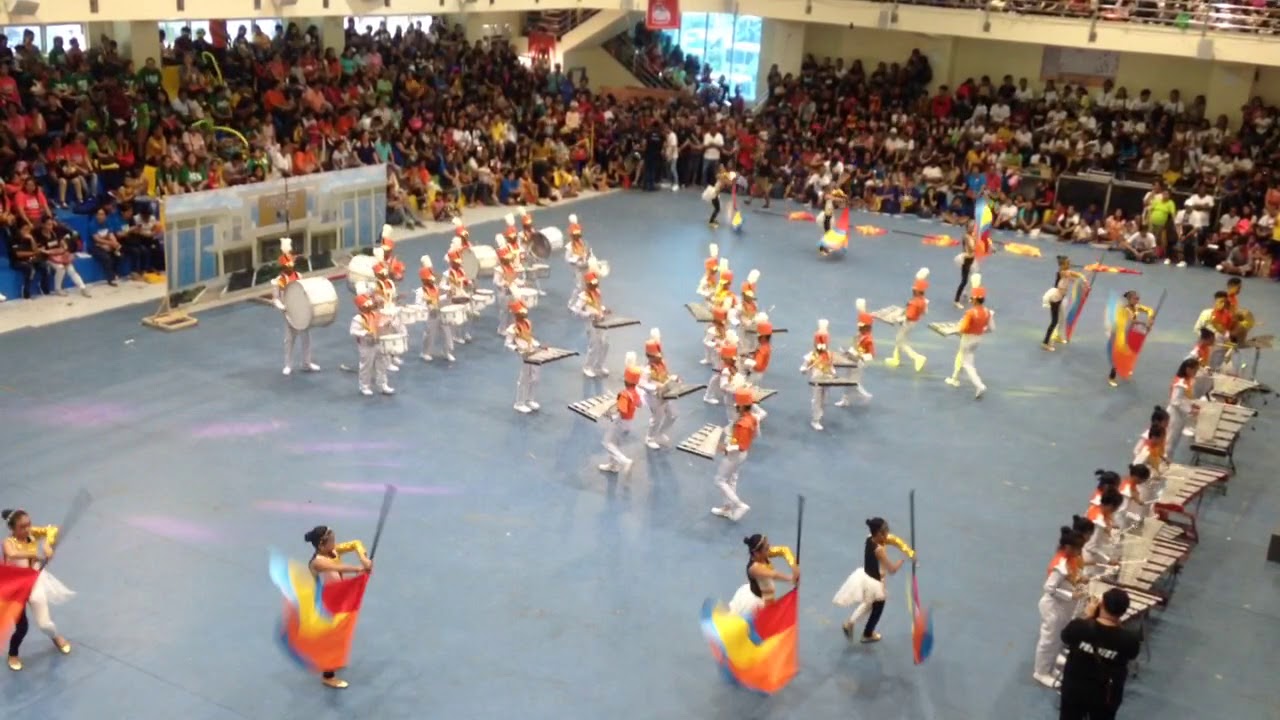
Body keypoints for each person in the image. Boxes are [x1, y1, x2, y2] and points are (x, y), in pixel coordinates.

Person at [3, 509, 73, 672]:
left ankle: (55, 637)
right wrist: (40, 554)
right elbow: (13, 554)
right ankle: (13, 654)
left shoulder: (32, 532)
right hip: (15, 590)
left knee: (44, 624)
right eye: (22, 527)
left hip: (34, 582)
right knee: (22, 628)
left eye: (29, 525)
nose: (27, 529)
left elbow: (52, 530)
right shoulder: (8, 543)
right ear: (13, 529)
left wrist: (48, 543)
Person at [303, 525, 372, 689]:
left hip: (337, 599)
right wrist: (359, 569)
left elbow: (355, 543)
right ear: (321, 545)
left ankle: (331, 660)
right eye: (331, 541)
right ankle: (328, 676)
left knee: (338, 634)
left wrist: (363, 558)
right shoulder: (318, 562)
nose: (335, 543)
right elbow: (338, 568)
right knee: (332, 639)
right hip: (323, 604)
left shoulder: (332, 551)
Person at [1058, 588, 1142, 719]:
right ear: (1124, 612)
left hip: (1074, 689)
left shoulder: (1079, 627)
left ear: (1101, 604)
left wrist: (1087, 616)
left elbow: (1065, 637)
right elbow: (1132, 654)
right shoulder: (1129, 640)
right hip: (1105, 695)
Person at [832, 517, 915, 644]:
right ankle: (867, 634)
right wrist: (902, 561)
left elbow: (892, 540)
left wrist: (908, 551)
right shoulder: (879, 550)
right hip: (876, 582)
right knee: (878, 607)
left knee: (868, 603)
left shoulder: (869, 538)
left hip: (865, 577)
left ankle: (850, 623)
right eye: (885, 533)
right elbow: (892, 570)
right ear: (878, 533)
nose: (887, 536)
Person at [1032, 525, 1087, 687]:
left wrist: (1079, 581)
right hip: (1053, 607)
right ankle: (1041, 672)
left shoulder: (1070, 560)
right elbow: (1049, 588)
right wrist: (1071, 595)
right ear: (1068, 547)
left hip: (1064, 607)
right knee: (1049, 641)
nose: (1079, 552)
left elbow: (1071, 578)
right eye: (1078, 549)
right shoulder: (1060, 566)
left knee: (1058, 639)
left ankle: (1050, 667)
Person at [272, 242, 321, 377]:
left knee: (306, 338)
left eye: (291, 266)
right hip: (289, 313)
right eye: (287, 266)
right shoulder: (278, 281)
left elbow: (304, 291)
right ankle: (288, 364)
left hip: (302, 311)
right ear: (283, 267)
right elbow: (275, 298)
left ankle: (307, 363)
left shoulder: (299, 276)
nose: (290, 268)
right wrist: (281, 306)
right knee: (289, 340)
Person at [712, 387, 758, 522]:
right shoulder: (753, 418)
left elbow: (740, 445)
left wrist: (724, 447)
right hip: (743, 455)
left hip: (735, 455)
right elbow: (755, 435)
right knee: (732, 479)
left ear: (742, 406)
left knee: (719, 480)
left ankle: (739, 505)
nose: (736, 406)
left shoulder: (742, 424)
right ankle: (727, 508)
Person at [728, 534, 799, 618]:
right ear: (757, 553)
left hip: (767, 592)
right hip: (757, 602)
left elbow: (784, 550)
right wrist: (791, 578)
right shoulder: (754, 568)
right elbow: (773, 574)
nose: (769, 549)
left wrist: (794, 567)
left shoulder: (763, 554)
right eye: (766, 548)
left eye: (768, 546)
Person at [946, 274, 993, 398]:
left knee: (967, 364)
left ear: (975, 300)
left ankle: (979, 385)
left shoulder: (970, 313)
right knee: (964, 357)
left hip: (967, 339)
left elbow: (963, 328)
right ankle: (955, 377)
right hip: (978, 338)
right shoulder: (988, 312)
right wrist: (981, 330)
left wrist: (956, 331)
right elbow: (991, 328)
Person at [600, 353, 643, 474]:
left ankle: (624, 461)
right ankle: (614, 465)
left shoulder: (624, 394)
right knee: (615, 443)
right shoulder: (635, 393)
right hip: (629, 423)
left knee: (607, 442)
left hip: (621, 422)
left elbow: (622, 410)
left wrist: (609, 412)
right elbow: (639, 404)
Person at [639, 329, 679, 450]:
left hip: (666, 394)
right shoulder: (647, 370)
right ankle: (650, 438)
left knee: (673, 415)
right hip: (654, 397)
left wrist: (672, 379)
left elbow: (665, 376)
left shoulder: (662, 364)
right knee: (657, 418)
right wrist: (655, 387)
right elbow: (642, 384)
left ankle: (660, 433)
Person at [349, 294, 394, 397]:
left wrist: (386, 325)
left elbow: (380, 327)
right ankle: (364, 386)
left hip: (378, 342)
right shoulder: (358, 318)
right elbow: (353, 331)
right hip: (366, 345)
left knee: (382, 364)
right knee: (366, 366)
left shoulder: (375, 315)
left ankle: (383, 384)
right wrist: (365, 333)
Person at [1107, 291, 1155, 387]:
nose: (1137, 300)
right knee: (1119, 356)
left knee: (1130, 352)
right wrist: (1145, 324)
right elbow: (1133, 321)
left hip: (1131, 333)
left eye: (1138, 298)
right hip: (1121, 334)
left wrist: (1150, 318)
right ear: (1129, 299)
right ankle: (1111, 377)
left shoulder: (1137, 306)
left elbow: (1150, 310)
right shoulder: (1124, 309)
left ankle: (1125, 369)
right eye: (1135, 299)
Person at [569, 268, 611, 378]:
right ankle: (587, 367)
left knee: (605, 344)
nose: (595, 285)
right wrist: (589, 315)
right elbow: (576, 311)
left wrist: (603, 309)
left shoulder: (597, 293)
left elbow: (597, 306)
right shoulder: (583, 296)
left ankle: (599, 365)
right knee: (594, 345)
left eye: (596, 283)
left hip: (601, 321)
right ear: (587, 284)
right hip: (591, 323)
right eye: (592, 284)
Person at [886, 268, 929, 372]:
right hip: (913, 322)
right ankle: (896, 358)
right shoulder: (923, 301)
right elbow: (924, 312)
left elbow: (909, 316)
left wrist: (897, 318)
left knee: (900, 342)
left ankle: (917, 357)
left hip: (908, 323)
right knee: (899, 339)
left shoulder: (914, 302)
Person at [414, 256, 455, 363]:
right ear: (424, 280)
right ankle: (425, 352)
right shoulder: (420, 291)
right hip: (430, 316)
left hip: (440, 313)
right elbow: (418, 305)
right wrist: (427, 305)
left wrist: (447, 296)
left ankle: (447, 352)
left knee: (447, 332)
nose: (432, 281)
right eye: (429, 279)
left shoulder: (435, 288)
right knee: (429, 335)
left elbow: (438, 299)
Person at [504, 300, 542, 414]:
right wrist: (518, 350)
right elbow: (508, 343)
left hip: (533, 351)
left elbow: (529, 338)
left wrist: (538, 345)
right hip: (525, 354)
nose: (524, 315)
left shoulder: (527, 323)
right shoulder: (512, 329)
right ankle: (519, 403)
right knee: (524, 379)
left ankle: (530, 399)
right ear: (516, 315)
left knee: (535, 378)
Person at [1043, 255, 1087, 351]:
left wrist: (1084, 283)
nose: (1070, 264)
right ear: (1062, 265)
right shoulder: (1062, 272)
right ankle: (1045, 343)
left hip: (1061, 298)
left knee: (1062, 318)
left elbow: (1075, 280)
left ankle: (1059, 336)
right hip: (1056, 298)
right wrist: (1082, 275)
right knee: (1054, 321)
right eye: (1068, 262)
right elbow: (1072, 274)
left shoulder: (1067, 273)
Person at [836, 300, 875, 407]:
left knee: (854, 383)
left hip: (858, 363)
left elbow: (871, 355)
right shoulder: (860, 336)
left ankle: (865, 395)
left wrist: (859, 356)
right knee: (848, 381)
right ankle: (845, 400)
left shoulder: (868, 339)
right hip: (852, 360)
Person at [800, 319, 837, 431]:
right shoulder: (812, 355)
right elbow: (804, 366)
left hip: (827, 379)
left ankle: (819, 413)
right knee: (817, 399)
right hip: (816, 380)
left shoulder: (829, 355)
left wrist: (833, 371)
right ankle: (815, 420)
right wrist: (803, 369)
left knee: (824, 399)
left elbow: (831, 366)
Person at [1165, 357, 1200, 460]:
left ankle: (1168, 461)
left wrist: (1192, 404)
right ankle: (1166, 461)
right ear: (1188, 369)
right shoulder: (1180, 384)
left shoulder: (1187, 381)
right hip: (1174, 416)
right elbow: (1175, 401)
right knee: (1170, 441)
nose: (1196, 372)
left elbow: (1183, 398)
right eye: (1195, 370)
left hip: (1180, 415)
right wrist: (1190, 410)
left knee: (1174, 441)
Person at [953, 219, 979, 308]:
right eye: (971, 226)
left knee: (973, 278)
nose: (972, 228)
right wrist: (977, 243)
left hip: (972, 260)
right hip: (966, 260)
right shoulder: (966, 236)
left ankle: (966, 293)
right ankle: (956, 300)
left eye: (973, 226)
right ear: (967, 227)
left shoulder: (972, 235)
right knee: (964, 281)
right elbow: (972, 248)